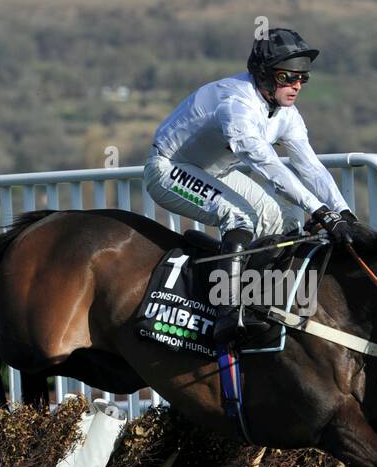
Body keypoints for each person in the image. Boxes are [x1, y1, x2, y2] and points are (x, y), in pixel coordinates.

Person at [144, 27, 358, 344]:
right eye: (288, 76)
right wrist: (320, 211)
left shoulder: (287, 114)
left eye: (303, 78)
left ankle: (263, 303)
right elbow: (267, 165)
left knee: (284, 220)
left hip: (215, 171)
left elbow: (310, 167)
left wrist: (343, 213)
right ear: (264, 75)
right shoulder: (236, 106)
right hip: (169, 169)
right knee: (239, 218)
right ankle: (227, 315)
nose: (297, 85)